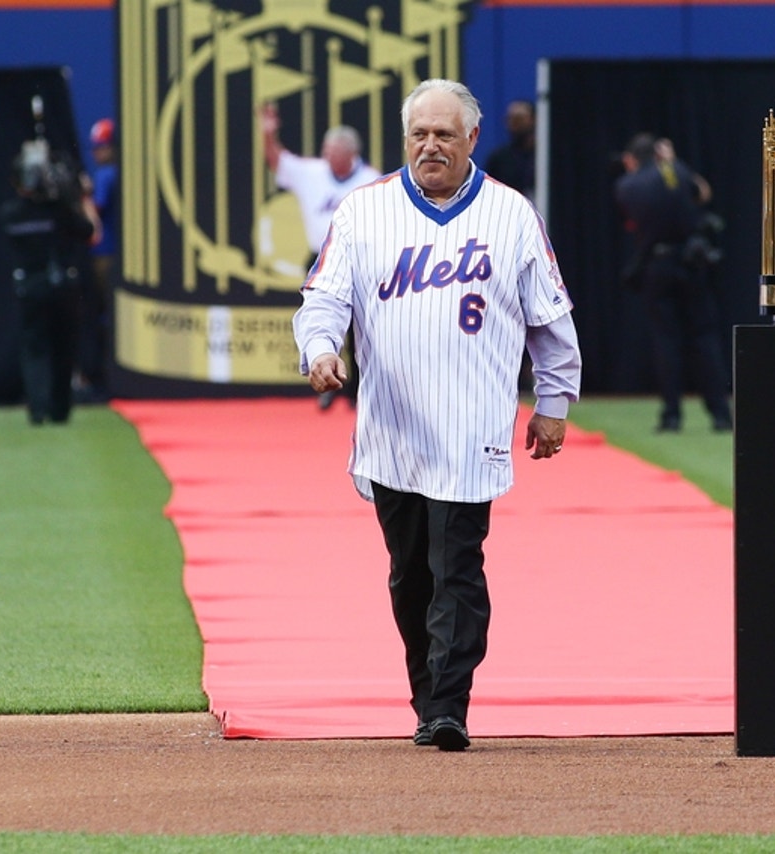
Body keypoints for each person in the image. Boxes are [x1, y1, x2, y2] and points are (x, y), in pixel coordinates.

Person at [292, 78, 582, 752]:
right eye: (419, 134)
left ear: (471, 139)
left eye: (444, 135)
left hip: (472, 423)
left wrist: (553, 402)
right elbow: (325, 297)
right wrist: (319, 347)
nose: (430, 146)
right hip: (391, 428)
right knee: (409, 574)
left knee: (457, 566)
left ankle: (448, 705)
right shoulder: (364, 213)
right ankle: (428, 695)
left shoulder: (510, 215)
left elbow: (551, 319)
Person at [260, 102, 381, 409]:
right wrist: (268, 134)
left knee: (361, 326)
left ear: (350, 153)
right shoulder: (313, 172)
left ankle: (357, 391)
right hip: (321, 256)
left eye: (332, 150)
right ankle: (327, 382)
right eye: (326, 149)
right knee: (322, 316)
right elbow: (278, 162)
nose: (326, 155)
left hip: (360, 258)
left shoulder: (370, 178)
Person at [615, 132, 732, 433]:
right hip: (692, 263)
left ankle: (671, 415)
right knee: (705, 339)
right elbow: (702, 193)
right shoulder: (677, 173)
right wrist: (671, 162)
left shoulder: (627, 186)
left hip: (656, 265)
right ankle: (720, 414)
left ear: (632, 159)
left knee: (666, 342)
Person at [0, 139, 97, 425]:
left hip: (30, 286)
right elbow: (89, 232)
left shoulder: (10, 214)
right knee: (61, 347)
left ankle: (39, 408)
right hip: (61, 284)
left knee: (35, 348)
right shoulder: (59, 211)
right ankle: (58, 410)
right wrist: (82, 198)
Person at [74, 117, 119, 403]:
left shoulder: (106, 175)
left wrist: (84, 194)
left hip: (104, 255)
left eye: (101, 147)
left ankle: (97, 376)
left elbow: (95, 212)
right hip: (111, 254)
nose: (97, 153)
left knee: (98, 317)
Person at [481, 99, 536, 202]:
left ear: (533, 120)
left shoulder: (544, 157)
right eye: (510, 119)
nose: (514, 124)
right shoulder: (499, 159)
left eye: (519, 119)